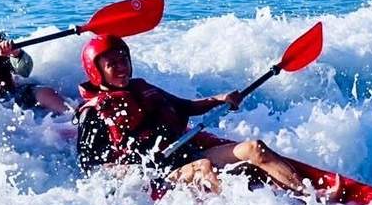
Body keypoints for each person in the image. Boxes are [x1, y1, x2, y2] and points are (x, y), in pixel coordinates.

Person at [75, 34, 308, 193]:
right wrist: (133, 171)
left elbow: (185, 106)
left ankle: (309, 199)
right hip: (158, 175)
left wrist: (220, 99)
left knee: (254, 148)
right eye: (112, 64)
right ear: (96, 72)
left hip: (188, 154)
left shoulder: (142, 88)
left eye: (123, 59)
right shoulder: (94, 113)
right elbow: (91, 167)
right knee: (204, 167)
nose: (122, 67)